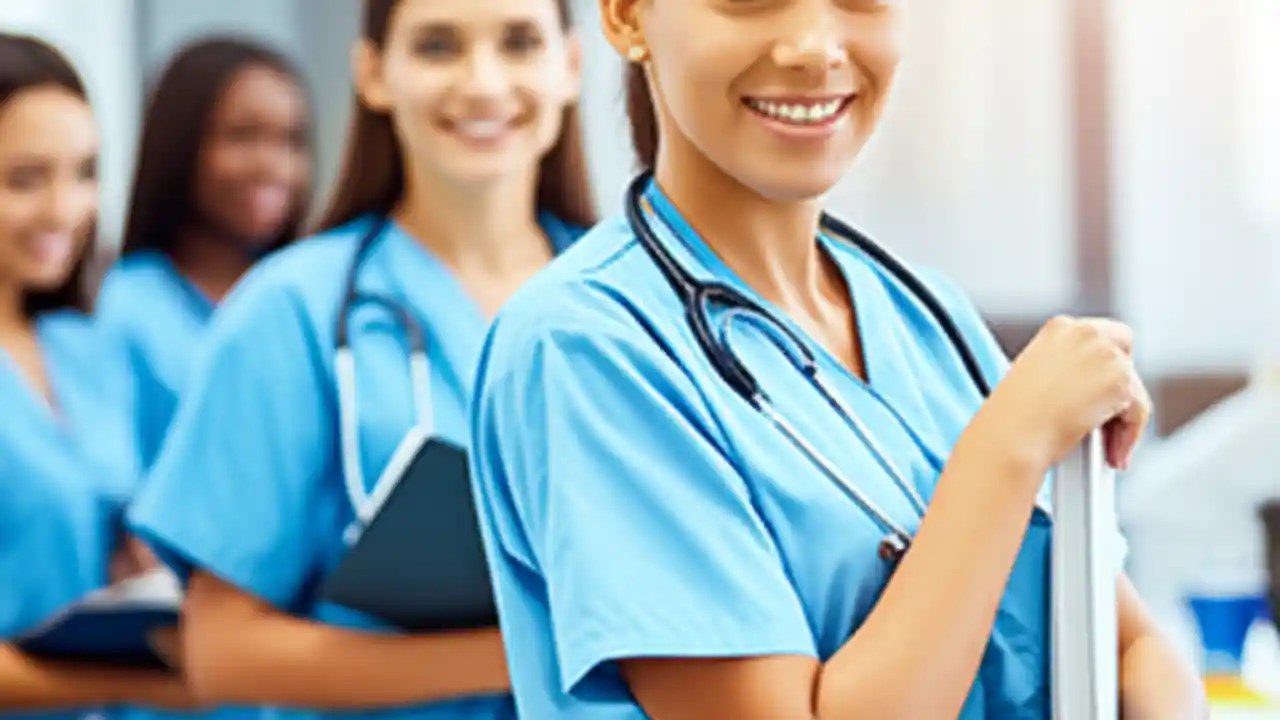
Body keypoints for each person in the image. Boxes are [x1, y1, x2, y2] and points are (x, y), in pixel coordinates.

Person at [467, 1, 1208, 718]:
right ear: (627, 15)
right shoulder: (586, 348)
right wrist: (1007, 449)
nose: (816, 45)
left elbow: (1133, 645)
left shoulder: (922, 313)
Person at [126, 0, 592, 718]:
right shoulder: (290, 310)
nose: (482, 82)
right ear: (373, 74)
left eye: (519, 42)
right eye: (438, 46)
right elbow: (222, 652)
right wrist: (529, 647)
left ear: (570, 65)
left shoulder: (630, 301)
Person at [0, 32, 195, 717]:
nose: (66, 209)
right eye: (24, 180)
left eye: (84, 173)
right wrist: (155, 683)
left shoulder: (89, 350)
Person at [96, 38, 312, 468]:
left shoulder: (307, 298)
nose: (272, 165)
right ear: (181, 143)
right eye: (241, 136)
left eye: (291, 140)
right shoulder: (125, 306)